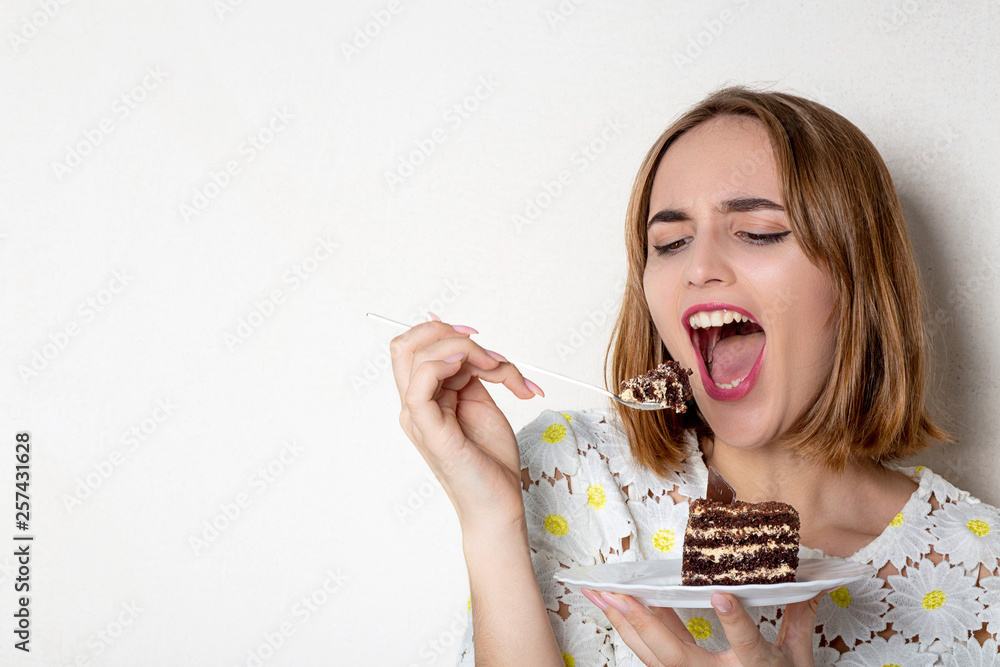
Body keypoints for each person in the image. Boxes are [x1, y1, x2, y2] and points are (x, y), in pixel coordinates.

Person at [389, 86, 1000, 666]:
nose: (700, 266)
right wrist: (491, 520)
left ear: (858, 278)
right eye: (672, 242)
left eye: (759, 233)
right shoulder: (570, 472)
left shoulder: (979, 572)